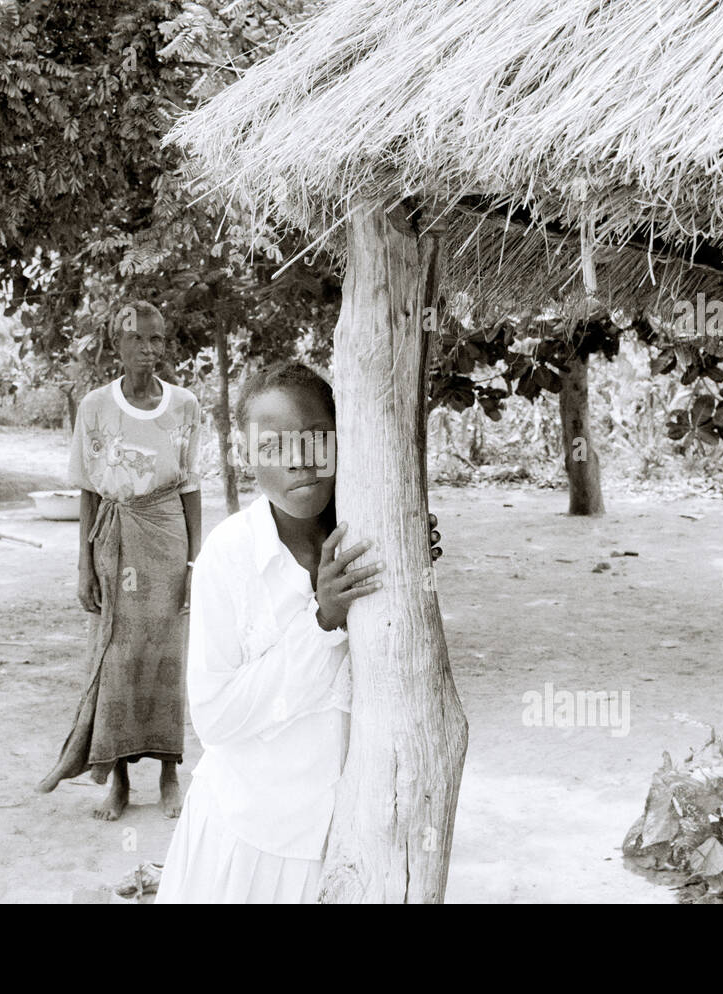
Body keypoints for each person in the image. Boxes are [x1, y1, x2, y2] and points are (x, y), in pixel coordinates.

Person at [156, 361, 440, 903]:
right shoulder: (229, 555)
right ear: (246, 457)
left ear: (341, 438)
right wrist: (322, 622)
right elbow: (214, 718)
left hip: (353, 837)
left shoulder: (368, 538)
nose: (298, 461)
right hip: (251, 839)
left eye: (315, 439)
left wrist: (409, 552)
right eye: (272, 447)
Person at [37, 301, 201, 821]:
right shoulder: (94, 408)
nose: (149, 350)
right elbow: (87, 490)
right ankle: (120, 780)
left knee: (166, 658)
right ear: (117, 344)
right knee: (115, 660)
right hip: (113, 541)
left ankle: (170, 773)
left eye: (158, 340)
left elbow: (191, 485)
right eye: (137, 339)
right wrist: (84, 565)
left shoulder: (185, 405)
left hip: (166, 541)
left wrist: (196, 562)